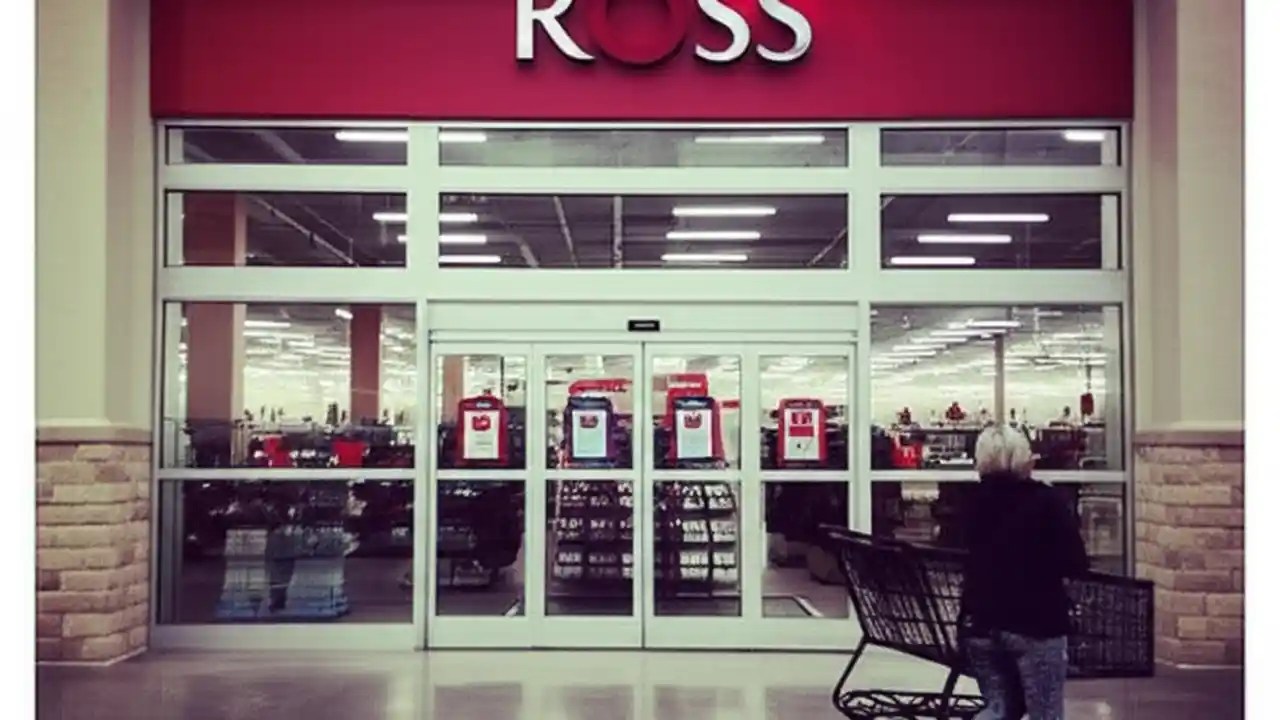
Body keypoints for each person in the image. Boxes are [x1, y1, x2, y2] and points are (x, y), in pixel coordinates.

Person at [960, 426, 1089, 720]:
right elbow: (1075, 562)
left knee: (999, 708)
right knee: (1045, 712)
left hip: (980, 621)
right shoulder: (1047, 502)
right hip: (1037, 623)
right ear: (1024, 458)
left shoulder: (972, 502)